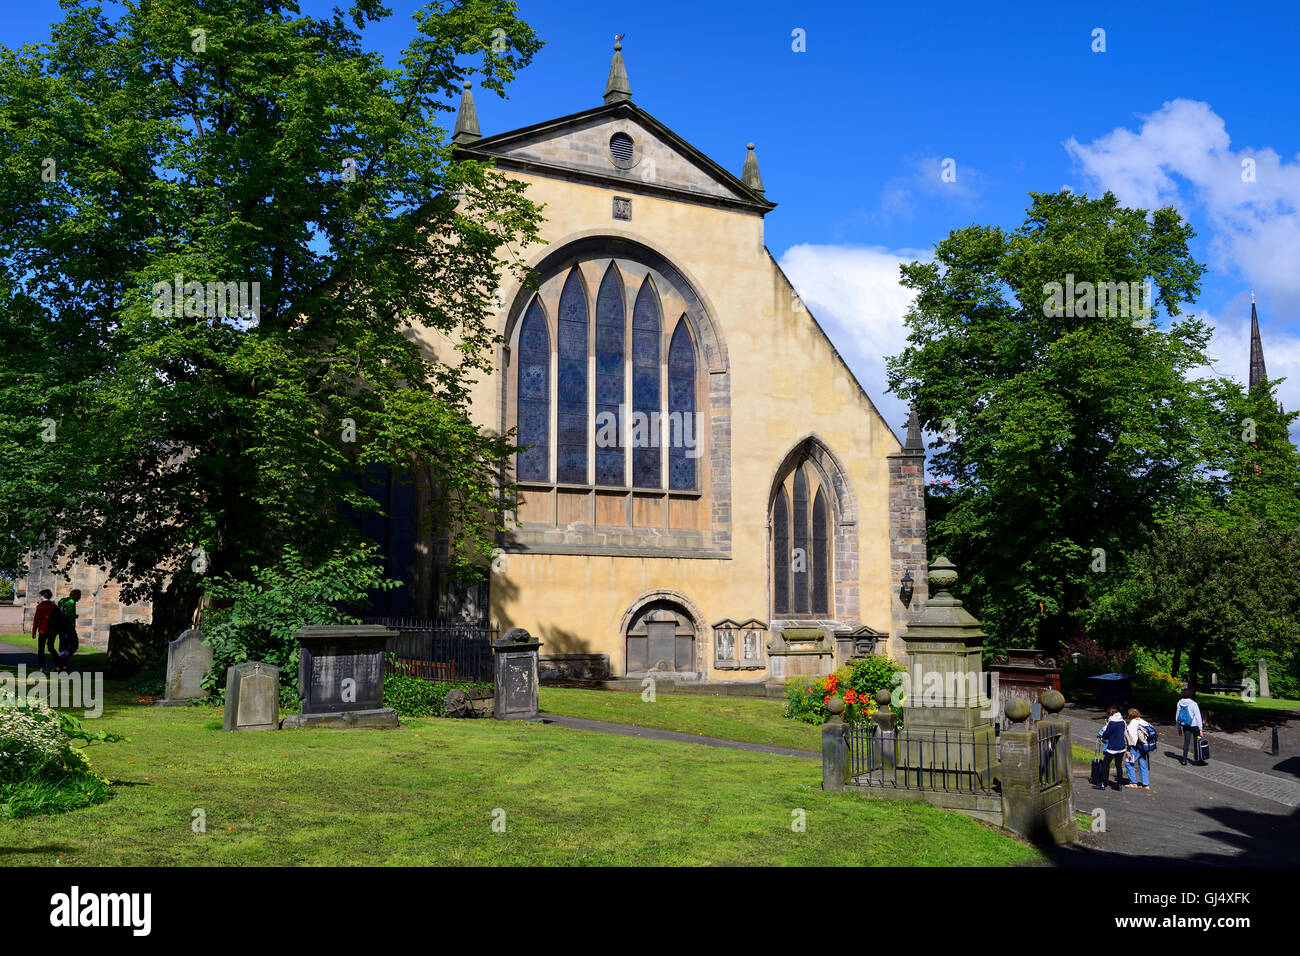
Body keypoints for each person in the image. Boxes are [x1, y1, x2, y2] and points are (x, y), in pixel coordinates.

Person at [1097, 705, 1129, 789]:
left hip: (1112, 747)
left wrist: (1103, 736)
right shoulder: (1123, 721)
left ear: (1110, 713)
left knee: (1105, 765)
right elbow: (1125, 733)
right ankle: (1119, 784)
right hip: (1121, 747)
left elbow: (1106, 735)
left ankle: (1103, 784)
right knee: (1118, 766)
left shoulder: (1112, 723)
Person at [1124, 707, 1154, 789]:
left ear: (1130, 715)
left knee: (1128, 763)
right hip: (1144, 747)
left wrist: (1128, 749)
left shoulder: (1133, 723)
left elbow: (1130, 737)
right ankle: (1146, 784)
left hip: (1135, 747)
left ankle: (1133, 782)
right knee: (1143, 764)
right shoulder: (1143, 721)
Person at [31, 588, 60, 671]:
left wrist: (34, 632)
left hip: (43, 630)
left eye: (41, 595)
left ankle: (41, 667)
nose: (40, 597)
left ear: (43, 596)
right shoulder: (54, 606)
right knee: (51, 647)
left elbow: (36, 619)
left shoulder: (40, 606)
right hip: (53, 630)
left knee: (41, 649)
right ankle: (59, 664)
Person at [1176, 689, 1204, 765]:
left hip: (1185, 725)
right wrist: (1200, 729)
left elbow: (1177, 717)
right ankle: (1198, 759)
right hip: (1194, 725)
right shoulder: (1193, 704)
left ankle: (1184, 760)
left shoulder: (1179, 703)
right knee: (1196, 742)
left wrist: (1179, 729)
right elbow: (1198, 717)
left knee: (1186, 742)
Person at [55, 588, 81, 670]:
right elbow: (69, 616)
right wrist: (72, 626)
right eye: (79, 595)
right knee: (74, 645)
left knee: (62, 647)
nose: (79, 598)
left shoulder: (62, 600)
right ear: (74, 595)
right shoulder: (71, 602)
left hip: (60, 627)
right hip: (68, 628)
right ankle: (61, 662)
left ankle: (61, 665)